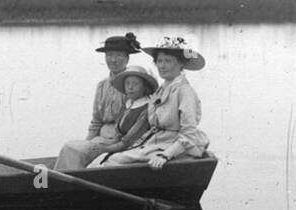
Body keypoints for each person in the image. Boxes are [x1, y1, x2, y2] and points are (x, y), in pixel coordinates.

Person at [101, 36, 210, 168]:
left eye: (168, 61)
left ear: (180, 64)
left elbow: (189, 133)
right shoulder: (162, 89)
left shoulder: (184, 91)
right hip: (156, 142)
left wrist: (166, 155)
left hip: (174, 146)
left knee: (113, 162)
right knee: (110, 158)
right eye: (159, 61)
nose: (162, 66)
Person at [54, 32, 150, 170]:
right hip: (100, 139)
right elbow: (96, 121)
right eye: (110, 55)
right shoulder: (102, 86)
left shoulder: (133, 85)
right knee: (74, 149)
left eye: (118, 55)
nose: (114, 60)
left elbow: (137, 119)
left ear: (127, 59)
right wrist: (87, 144)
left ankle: (63, 185)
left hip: (118, 141)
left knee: (70, 148)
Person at [85, 66, 158, 164]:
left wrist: (105, 149)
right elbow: (118, 133)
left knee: (103, 163)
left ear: (144, 87)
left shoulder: (147, 108)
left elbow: (129, 141)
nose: (130, 87)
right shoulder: (129, 104)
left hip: (135, 148)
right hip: (120, 146)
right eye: (127, 83)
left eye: (135, 84)